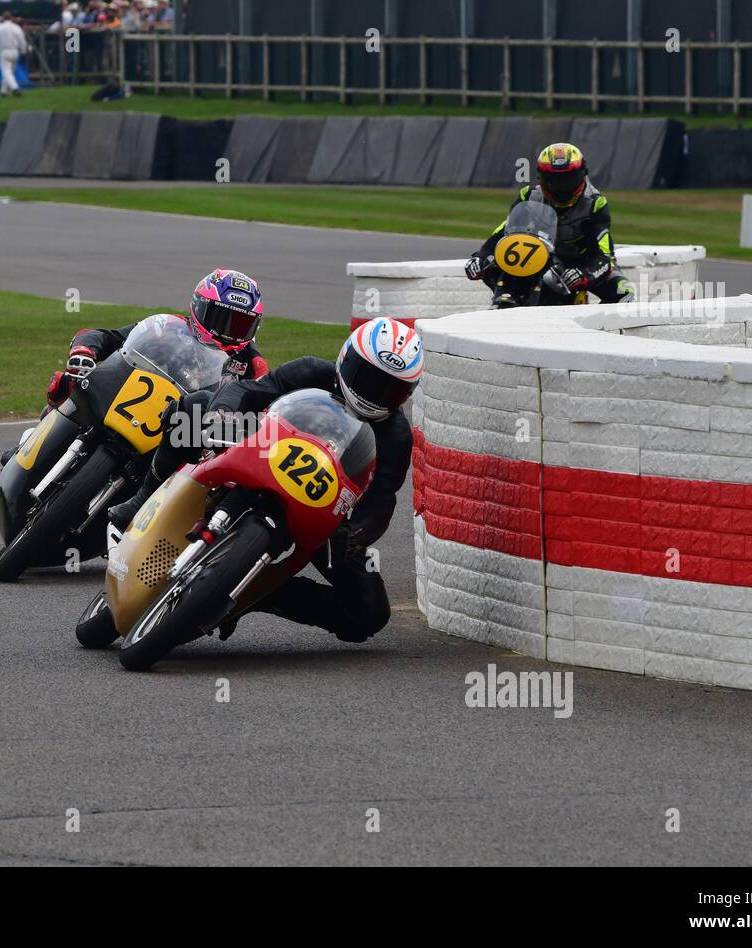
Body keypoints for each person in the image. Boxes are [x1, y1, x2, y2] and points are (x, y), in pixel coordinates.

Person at [109, 318, 422, 644]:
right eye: (368, 377)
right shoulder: (313, 371)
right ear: (346, 359)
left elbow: (383, 497)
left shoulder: (396, 436)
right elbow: (249, 389)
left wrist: (362, 532)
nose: (376, 392)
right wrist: (223, 415)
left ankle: (256, 594)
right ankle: (142, 498)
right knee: (188, 412)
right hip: (258, 449)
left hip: (322, 504)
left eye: (391, 388)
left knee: (369, 612)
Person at [43, 268, 269, 413]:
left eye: (241, 324)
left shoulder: (253, 364)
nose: (229, 331)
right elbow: (108, 337)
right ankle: (44, 428)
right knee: (68, 383)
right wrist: (84, 351)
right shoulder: (167, 326)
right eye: (223, 319)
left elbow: (265, 407)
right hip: (126, 399)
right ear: (200, 307)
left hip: (180, 425)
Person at [465, 142, 634, 305]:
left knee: (623, 292)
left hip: (582, 262)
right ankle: (505, 300)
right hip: (542, 256)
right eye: (553, 180)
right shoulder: (529, 196)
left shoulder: (595, 204)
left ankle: (594, 329)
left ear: (582, 174)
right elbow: (504, 232)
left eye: (567, 179)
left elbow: (604, 256)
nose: (560, 187)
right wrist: (480, 256)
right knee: (493, 265)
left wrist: (584, 274)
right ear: (541, 177)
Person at [0, 13, 29, 97]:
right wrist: (24, 52)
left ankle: (15, 88)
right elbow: (22, 41)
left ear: (3, 18)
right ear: (11, 18)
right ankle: (3, 92)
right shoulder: (16, 28)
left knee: (6, 72)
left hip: (4, 51)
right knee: (10, 73)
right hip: (15, 52)